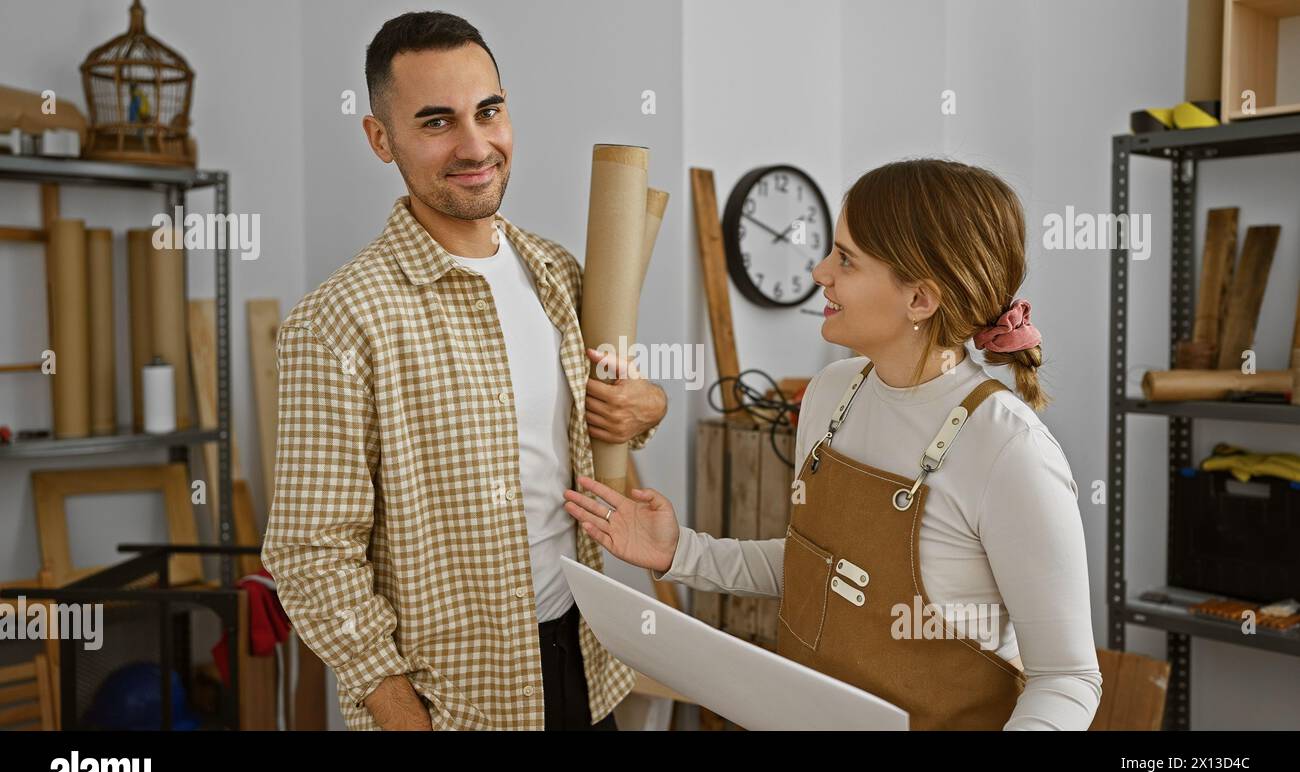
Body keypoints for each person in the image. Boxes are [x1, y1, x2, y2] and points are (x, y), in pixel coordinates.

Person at [564, 159, 1102, 730]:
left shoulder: (1008, 449)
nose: (820, 272)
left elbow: (1067, 679)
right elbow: (817, 569)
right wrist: (681, 553)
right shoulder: (832, 394)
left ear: (920, 299)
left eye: (845, 259)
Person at [262, 11, 667, 731]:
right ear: (381, 138)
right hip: (452, 704)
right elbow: (311, 552)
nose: (475, 145)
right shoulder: (338, 323)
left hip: (585, 661)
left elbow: (597, 429)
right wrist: (403, 716)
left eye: (489, 110)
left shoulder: (556, 275)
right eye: (436, 121)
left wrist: (647, 409)